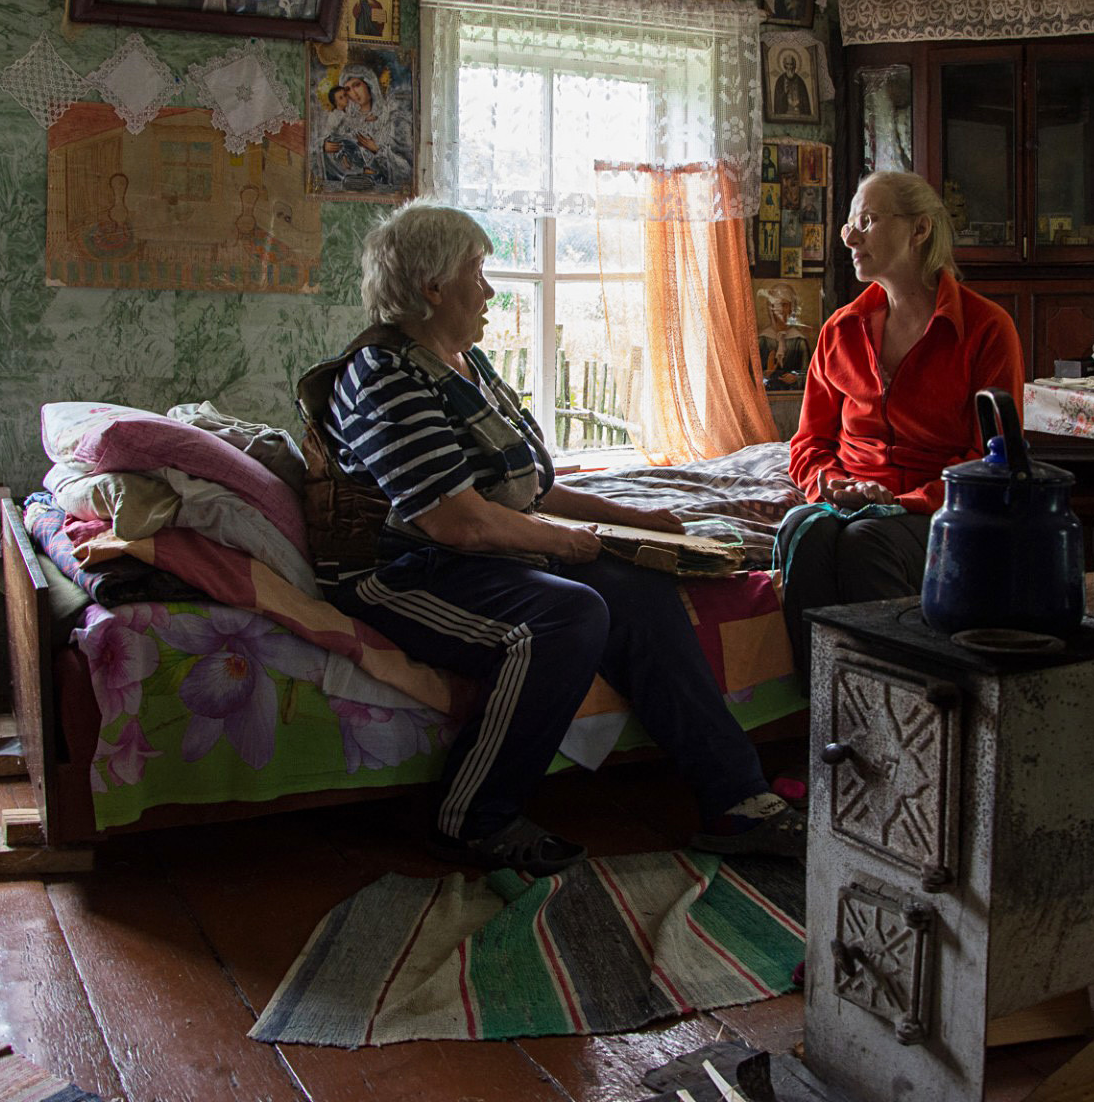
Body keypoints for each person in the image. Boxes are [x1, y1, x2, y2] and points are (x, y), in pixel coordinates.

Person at [321, 202, 805, 876]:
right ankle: (470, 820)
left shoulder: (467, 365)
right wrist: (567, 545)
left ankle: (736, 800)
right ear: (432, 287)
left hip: (486, 551)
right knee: (564, 616)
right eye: (476, 272)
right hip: (409, 570)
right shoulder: (385, 376)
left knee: (638, 590)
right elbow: (454, 521)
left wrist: (629, 521)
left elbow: (529, 488)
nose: (489, 290)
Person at [778, 170, 1025, 666]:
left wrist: (903, 502)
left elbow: (992, 459)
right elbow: (808, 443)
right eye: (849, 222)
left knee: (868, 541)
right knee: (803, 531)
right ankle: (823, 705)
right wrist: (832, 484)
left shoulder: (986, 330)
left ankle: (906, 699)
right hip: (847, 499)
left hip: (938, 508)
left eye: (866, 220)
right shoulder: (840, 330)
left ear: (919, 230)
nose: (848, 235)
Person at [771, 50, 813, 119]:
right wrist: (784, 93)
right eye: (787, 64)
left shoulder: (800, 81)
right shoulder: (780, 80)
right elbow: (778, 100)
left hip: (799, 113)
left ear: (794, 65)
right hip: (785, 113)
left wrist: (799, 101)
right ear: (784, 65)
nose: (790, 67)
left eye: (791, 64)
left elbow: (805, 100)